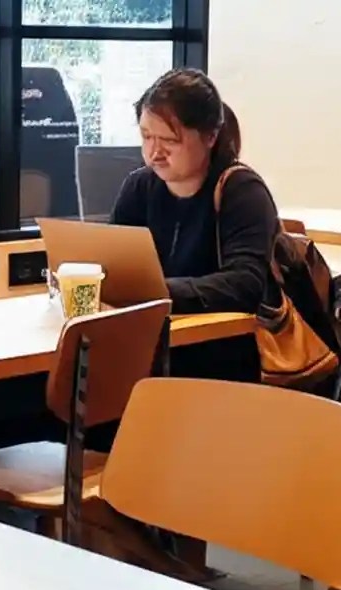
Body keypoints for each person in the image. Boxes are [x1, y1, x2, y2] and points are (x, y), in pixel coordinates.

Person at [110, 68, 279, 382]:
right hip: (154, 346)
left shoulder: (240, 190)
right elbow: (116, 261)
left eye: (169, 141)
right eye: (147, 137)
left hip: (224, 357)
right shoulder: (139, 187)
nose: (155, 153)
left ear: (210, 137)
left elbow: (245, 283)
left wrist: (157, 293)